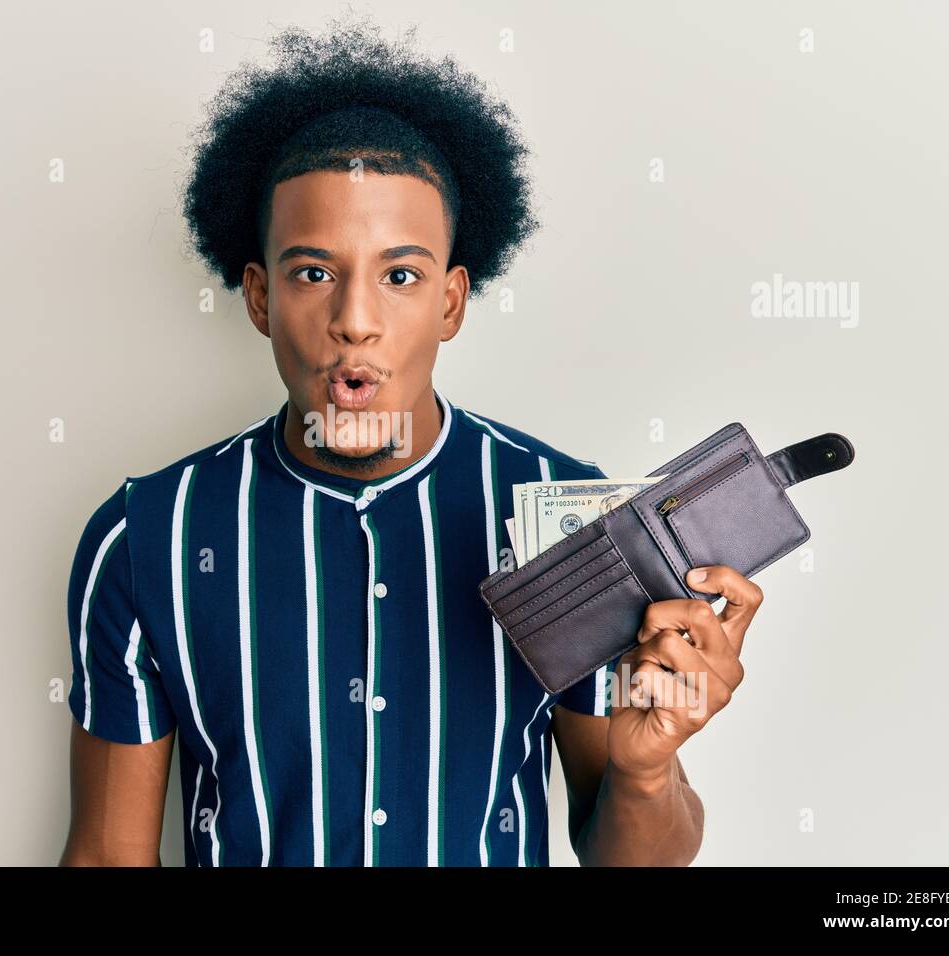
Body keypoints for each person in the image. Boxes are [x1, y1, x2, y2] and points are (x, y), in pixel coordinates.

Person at [59, 15, 762, 867]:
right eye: (313, 272)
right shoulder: (147, 539)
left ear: (452, 303)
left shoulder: (571, 525)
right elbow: (106, 858)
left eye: (401, 276)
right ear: (257, 297)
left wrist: (649, 773)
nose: (355, 320)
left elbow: (630, 857)